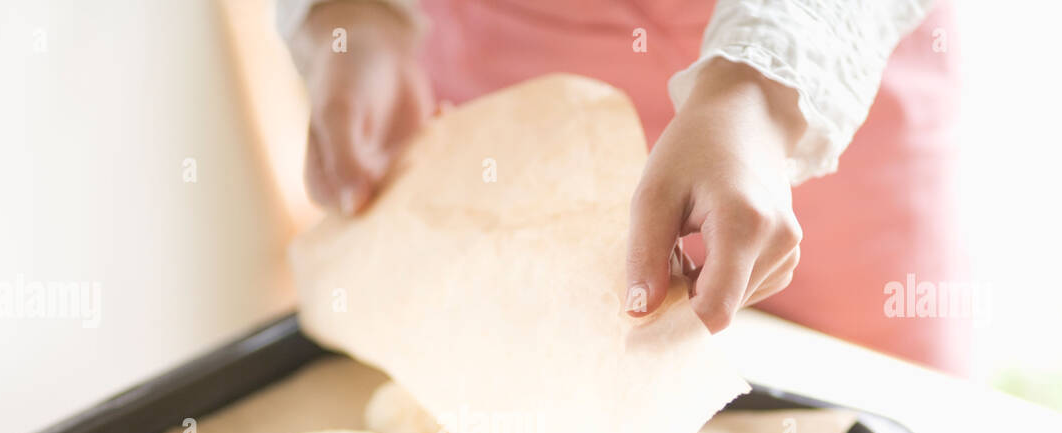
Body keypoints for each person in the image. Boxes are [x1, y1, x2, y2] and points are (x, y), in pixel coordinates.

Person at [277, 0, 970, 376]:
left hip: (816, 95)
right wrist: (348, 18)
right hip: (504, 95)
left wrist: (757, 94)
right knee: (516, 401)